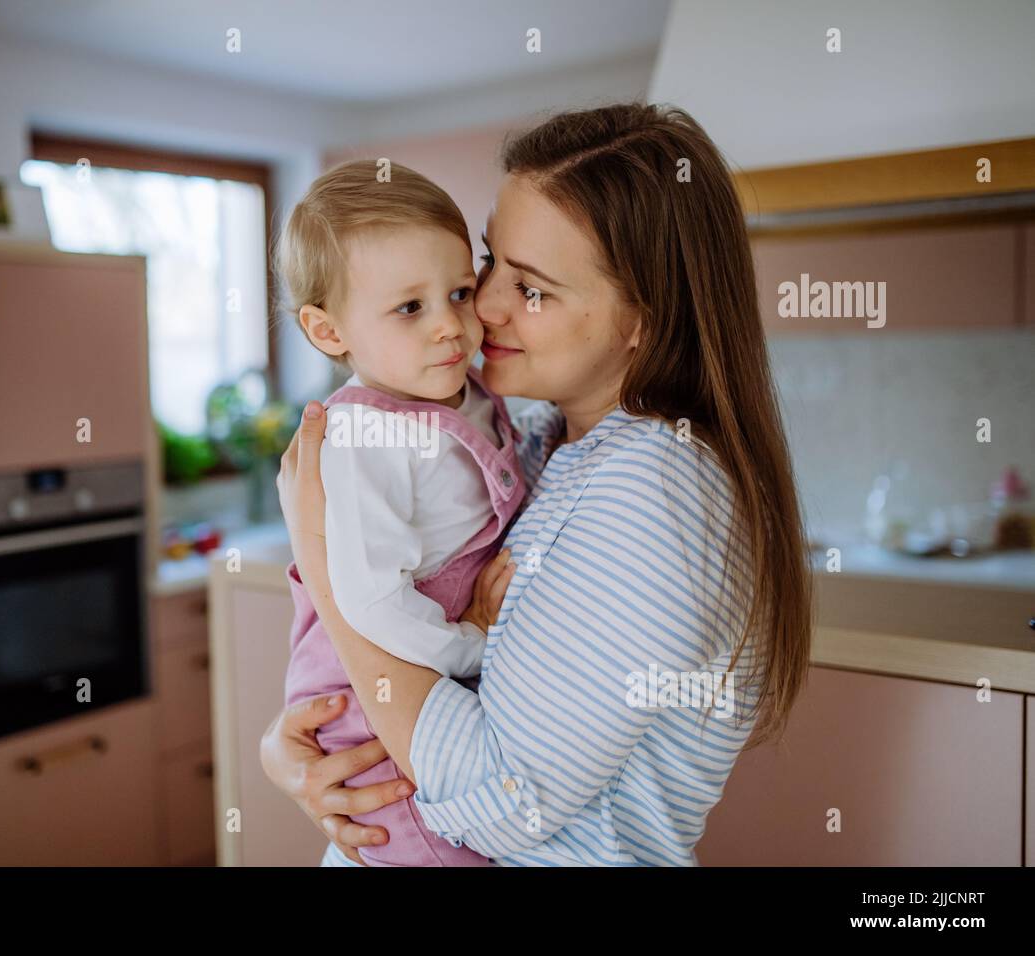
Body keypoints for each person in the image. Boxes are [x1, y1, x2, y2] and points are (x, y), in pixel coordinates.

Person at [264, 103, 812, 866]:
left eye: (532, 288)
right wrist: (296, 742)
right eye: (491, 261)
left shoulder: (656, 490)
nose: (480, 306)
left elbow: (502, 802)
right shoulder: (539, 443)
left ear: (642, 323)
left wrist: (324, 564)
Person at [276, 159, 526, 865]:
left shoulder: (466, 390)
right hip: (369, 714)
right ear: (329, 333)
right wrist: (476, 641)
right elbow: (373, 602)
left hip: (427, 672)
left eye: (458, 291)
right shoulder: (364, 438)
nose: (450, 326)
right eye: (410, 308)